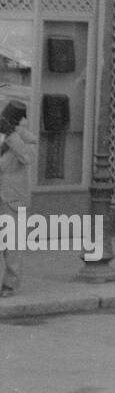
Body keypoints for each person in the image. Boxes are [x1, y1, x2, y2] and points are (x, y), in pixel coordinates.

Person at [0, 100, 35, 297]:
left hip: (13, 197)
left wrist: (12, 136)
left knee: (11, 243)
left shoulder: (25, 139)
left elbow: (27, 157)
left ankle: (10, 285)